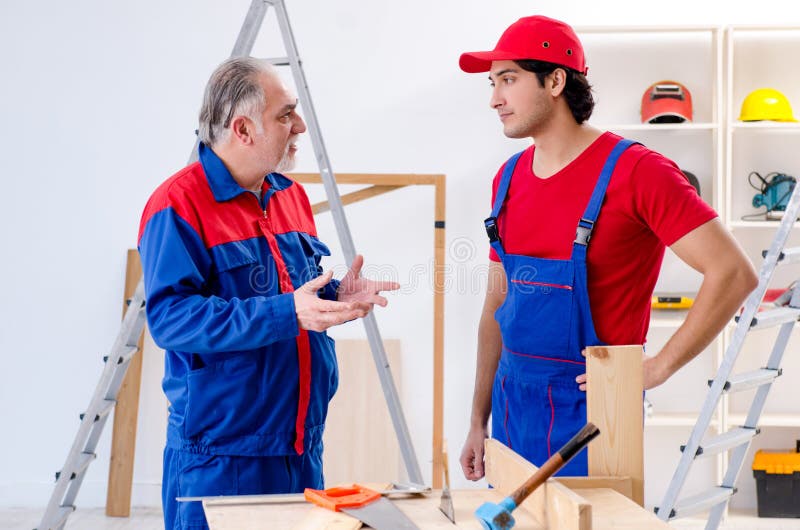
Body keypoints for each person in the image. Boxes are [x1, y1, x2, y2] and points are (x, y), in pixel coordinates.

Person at [457, 16, 758, 479]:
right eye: (493, 82)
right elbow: (496, 303)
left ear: (556, 80)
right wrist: (478, 420)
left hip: (595, 411)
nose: (494, 98)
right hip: (513, 406)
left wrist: (658, 368)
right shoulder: (509, 178)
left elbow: (734, 273)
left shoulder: (638, 172)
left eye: (509, 79)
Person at [138, 57, 398, 530]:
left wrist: (337, 294)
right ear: (243, 129)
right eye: (285, 115)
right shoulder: (177, 205)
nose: (299, 125)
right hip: (223, 458)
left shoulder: (290, 196)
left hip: (299, 447)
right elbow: (171, 319)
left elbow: (295, 296)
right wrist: (287, 313)